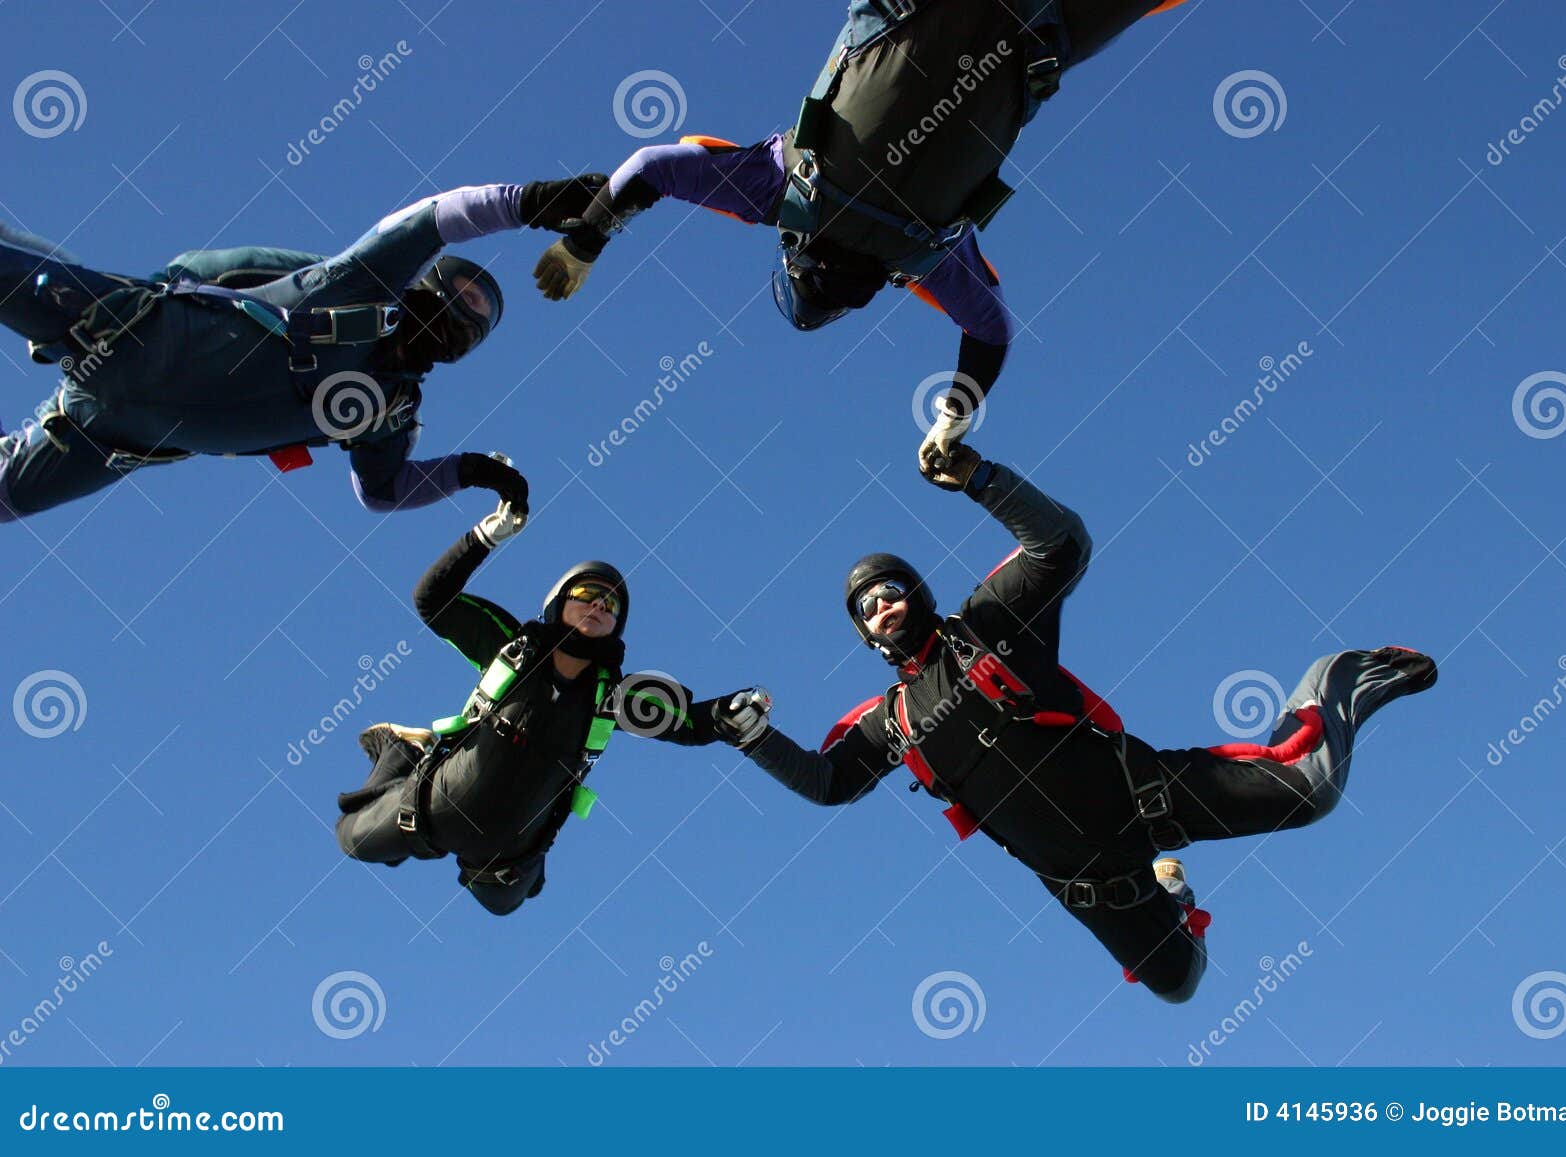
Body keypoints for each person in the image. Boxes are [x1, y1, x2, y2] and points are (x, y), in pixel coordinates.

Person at [708, 444, 1438, 1002]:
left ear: (918, 593)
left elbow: (1061, 544)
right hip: (1093, 881)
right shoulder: (887, 721)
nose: (883, 607)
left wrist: (978, 476)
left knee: (1310, 790)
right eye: (867, 608)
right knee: (1177, 984)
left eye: (892, 590)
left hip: (1145, 794)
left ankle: (1344, 673)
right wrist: (749, 735)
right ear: (865, 637)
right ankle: (1172, 896)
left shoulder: (989, 622)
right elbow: (827, 782)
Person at [534, 1, 1189, 477]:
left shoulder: (919, 250)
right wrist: (586, 242)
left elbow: (991, 333)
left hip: (1051, 26)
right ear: (792, 258)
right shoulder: (792, 194)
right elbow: (651, 169)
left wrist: (951, 418)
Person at [0, 174, 606, 523]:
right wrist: (534, 201)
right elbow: (433, 218)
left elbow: (383, 492)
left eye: (484, 316)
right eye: (468, 292)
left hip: (101, 438)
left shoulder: (390, 410)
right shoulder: (362, 288)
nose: (471, 312)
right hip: (113, 329)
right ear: (431, 281)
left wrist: (469, 472)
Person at [334, 496, 746, 915]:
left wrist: (733, 712)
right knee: (351, 839)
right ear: (557, 604)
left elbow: (692, 725)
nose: (599, 605)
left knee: (507, 904)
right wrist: (483, 537)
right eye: (586, 594)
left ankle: (523, 862)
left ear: (616, 627)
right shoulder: (511, 648)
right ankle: (400, 752)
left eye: (611, 605)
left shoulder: (614, 696)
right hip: (437, 806)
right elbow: (432, 599)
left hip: (509, 853)